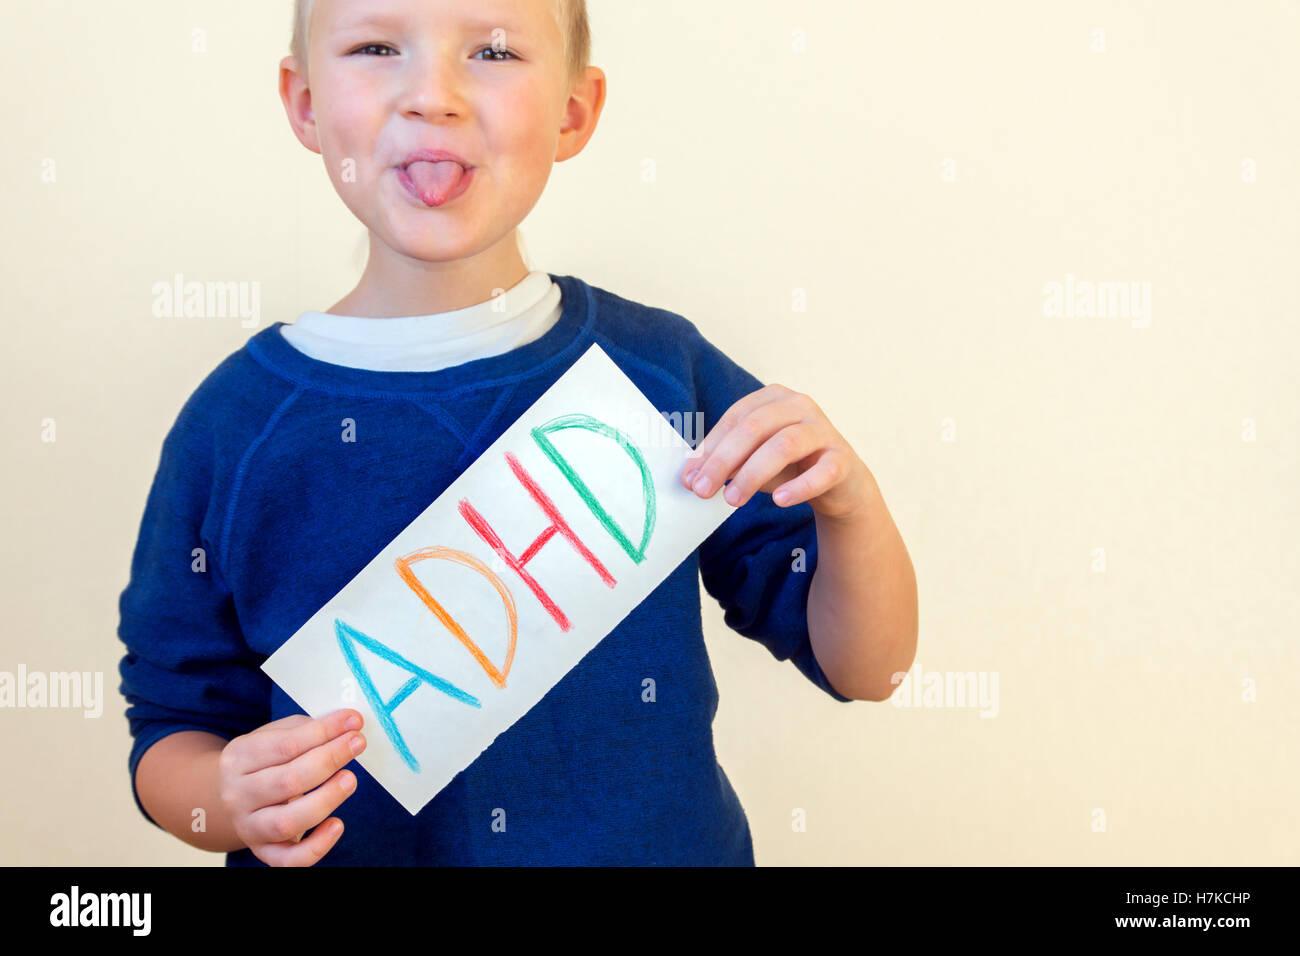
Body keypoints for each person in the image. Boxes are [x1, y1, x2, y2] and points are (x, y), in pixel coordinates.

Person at [118, 0, 918, 866]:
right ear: (305, 103)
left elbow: (869, 670)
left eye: (493, 51)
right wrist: (230, 802)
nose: (434, 95)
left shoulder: (662, 371)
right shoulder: (234, 424)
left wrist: (850, 509)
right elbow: (173, 731)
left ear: (574, 111)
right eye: (378, 46)